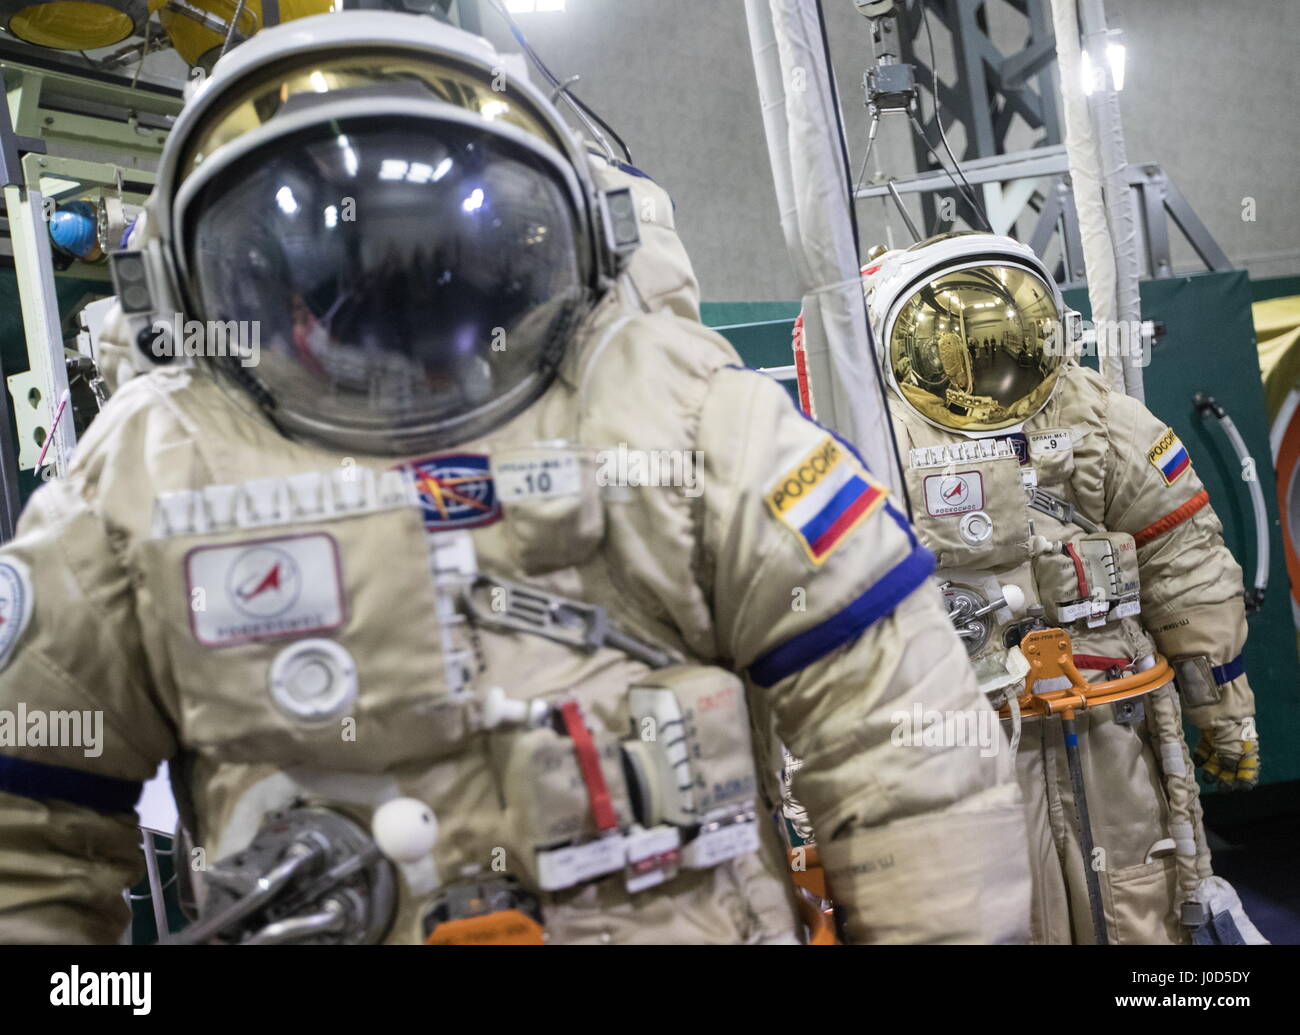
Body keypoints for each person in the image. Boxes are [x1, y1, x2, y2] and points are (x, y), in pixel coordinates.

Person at [0, 13, 1029, 945]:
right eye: (335, 261)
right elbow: (30, 833)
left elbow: (902, 747)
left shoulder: (682, 416)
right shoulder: (144, 481)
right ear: (197, 285)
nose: (384, 299)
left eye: (429, 252)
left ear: (572, 243)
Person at [844, 230, 1264, 944]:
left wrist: (1222, 706)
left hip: (1107, 713)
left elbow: (1184, 561)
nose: (989, 360)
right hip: (964, 732)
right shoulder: (875, 438)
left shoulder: (1095, 417)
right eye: (964, 341)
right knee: (1000, 906)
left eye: (1007, 333)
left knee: (1138, 887)